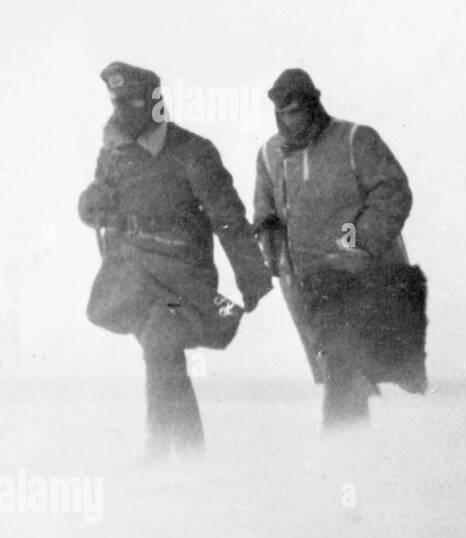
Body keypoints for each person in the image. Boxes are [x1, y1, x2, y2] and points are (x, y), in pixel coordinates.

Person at [79, 62, 272, 457]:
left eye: (132, 102)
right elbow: (97, 201)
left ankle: (167, 451)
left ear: (154, 101)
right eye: (117, 102)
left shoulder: (193, 151)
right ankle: (182, 455)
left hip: (183, 276)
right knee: (158, 348)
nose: (122, 111)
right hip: (133, 275)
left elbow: (229, 220)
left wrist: (252, 278)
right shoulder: (115, 153)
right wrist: (88, 205)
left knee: (159, 342)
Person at [253, 69, 423, 429]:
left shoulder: (355, 140)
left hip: (362, 277)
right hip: (306, 285)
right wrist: (275, 254)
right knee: (345, 369)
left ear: (315, 103)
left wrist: (354, 243)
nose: (292, 117)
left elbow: (392, 193)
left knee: (354, 367)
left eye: (299, 108)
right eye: (285, 111)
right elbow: (265, 215)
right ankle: (358, 457)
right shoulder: (269, 155)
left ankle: (347, 451)